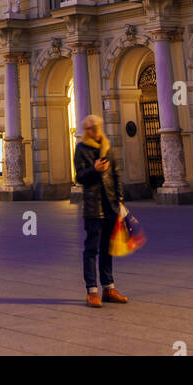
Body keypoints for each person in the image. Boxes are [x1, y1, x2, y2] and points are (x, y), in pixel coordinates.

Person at [73, 114, 129, 308]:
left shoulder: (107, 146)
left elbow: (117, 173)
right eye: (91, 128)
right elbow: (79, 177)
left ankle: (108, 287)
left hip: (110, 204)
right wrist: (93, 169)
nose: (95, 130)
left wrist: (120, 199)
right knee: (91, 249)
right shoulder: (81, 149)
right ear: (87, 130)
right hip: (93, 206)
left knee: (107, 249)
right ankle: (91, 291)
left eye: (97, 126)